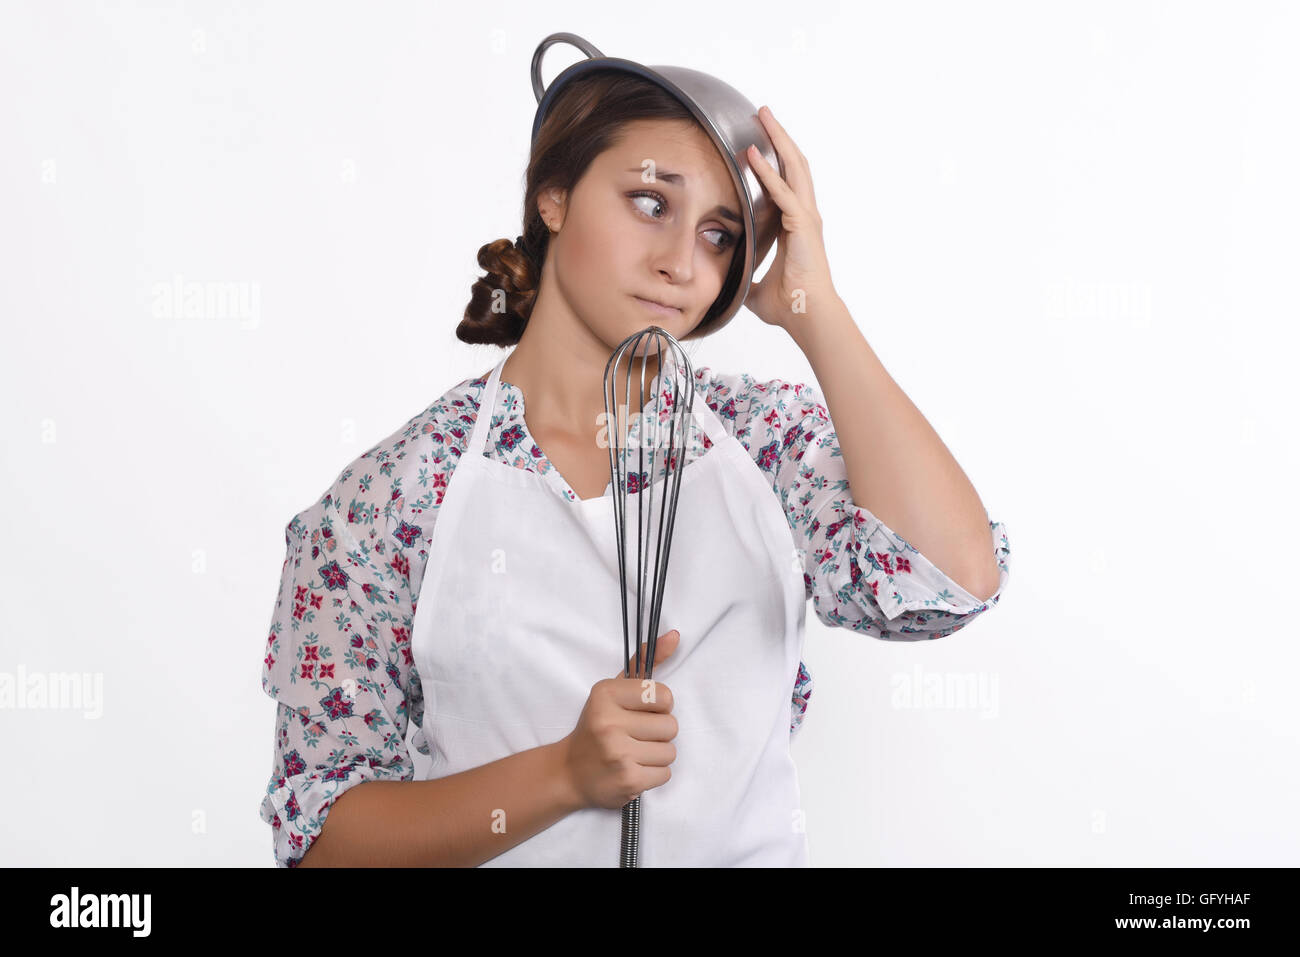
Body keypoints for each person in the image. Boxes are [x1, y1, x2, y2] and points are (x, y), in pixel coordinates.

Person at [258, 70, 1012, 868]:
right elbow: (323, 840)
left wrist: (812, 307)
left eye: (719, 234)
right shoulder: (391, 497)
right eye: (651, 203)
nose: (680, 262)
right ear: (554, 197)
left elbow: (950, 580)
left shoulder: (763, 441)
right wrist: (563, 773)